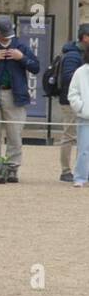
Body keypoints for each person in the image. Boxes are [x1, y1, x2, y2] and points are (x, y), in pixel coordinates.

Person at [0, 16, 39, 183]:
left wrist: (22, 58)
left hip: (14, 95)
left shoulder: (20, 46)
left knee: (14, 133)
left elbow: (35, 67)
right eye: (4, 34)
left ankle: (12, 167)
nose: (7, 37)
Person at [54, 24, 89, 182]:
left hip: (82, 100)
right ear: (85, 37)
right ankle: (66, 170)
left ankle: (81, 170)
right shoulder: (73, 55)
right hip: (70, 102)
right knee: (69, 135)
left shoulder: (79, 53)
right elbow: (69, 77)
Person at [64, 53, 89, 187]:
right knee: (83, 149)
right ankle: (80, 177)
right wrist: (81, 108)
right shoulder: (80, 72)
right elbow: (73, 93)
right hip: (85, 117)